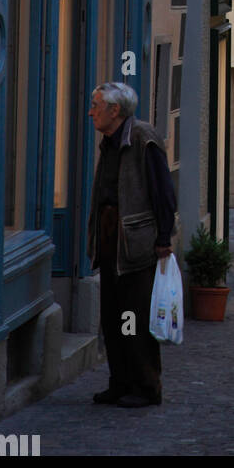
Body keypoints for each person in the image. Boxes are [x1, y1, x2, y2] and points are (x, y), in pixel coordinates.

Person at [87, 82, 177, 408]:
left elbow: (163, 192)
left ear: (116, 110)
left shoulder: (142, 138)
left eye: (96, 105)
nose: (91, 111)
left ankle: (146, 387)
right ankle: (120, 382)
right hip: (111, 242)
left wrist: (164, 238)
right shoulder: (109, 142)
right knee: (112, 318)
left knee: (134, 319)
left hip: (137, 245)